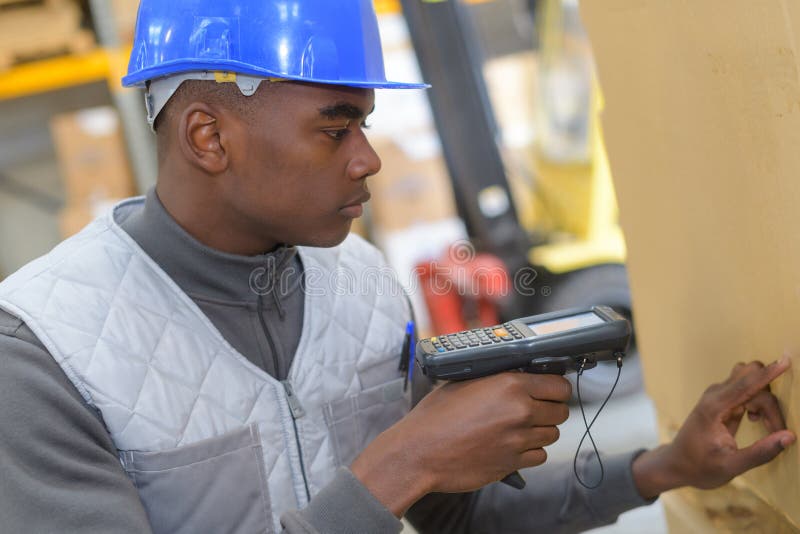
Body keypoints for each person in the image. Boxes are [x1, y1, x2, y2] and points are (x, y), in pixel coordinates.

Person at [0, 1, 794, 533]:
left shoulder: (361, 282)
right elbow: (406, 476)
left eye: (367, 125)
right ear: (209, 137)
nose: (370, 159)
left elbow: (462, 513)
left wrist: (666, 466)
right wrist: (402, 459)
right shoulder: (43, 349)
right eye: (335, 128)